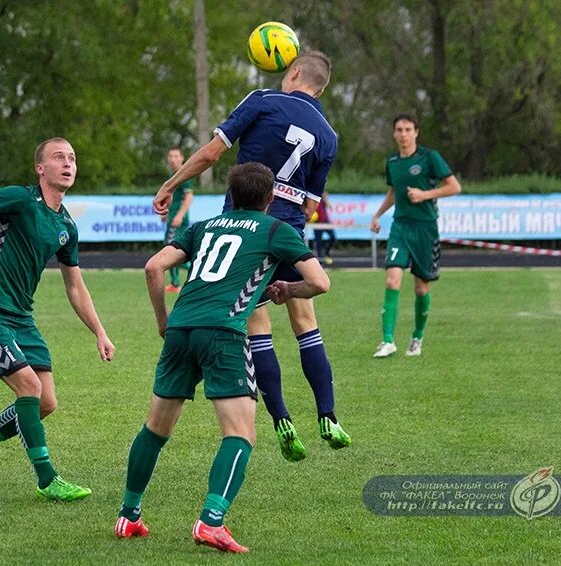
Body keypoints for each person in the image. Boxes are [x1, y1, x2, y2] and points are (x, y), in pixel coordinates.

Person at [116, 163, 330, 553]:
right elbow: (320, 282)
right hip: (224, 332)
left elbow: (153, 267)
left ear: (230, 196)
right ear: (270, 199)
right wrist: (288, 289)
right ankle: (211, 522)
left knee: (155, 429)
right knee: (240, 434)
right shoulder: (274, 229)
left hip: (181, 329)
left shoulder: (202, 226)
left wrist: (164, 321)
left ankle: (129, 515)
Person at [153, 50, 350, 464]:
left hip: (246, 232)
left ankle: (281, 420)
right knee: (305, 324)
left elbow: (211, 154)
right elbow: (312, 207)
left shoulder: (261, 99)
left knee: (257, 326)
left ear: (294, 72)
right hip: (288, 232)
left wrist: (170, 183)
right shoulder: (329, 135)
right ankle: (327, 416)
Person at [0, 137, 115, 501]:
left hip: (23, 318)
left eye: (72, 157)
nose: (68, 163)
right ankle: (47, 480)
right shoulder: (21, 198)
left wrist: (99, 332)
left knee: (45, 403)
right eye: (59, 157)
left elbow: (75, 286)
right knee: (29, 388)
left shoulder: (67, 227)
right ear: (41, 168)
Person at [370, 114, 461, 357]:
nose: (403, 134)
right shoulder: (392, 162)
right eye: (399, 129)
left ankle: (417, 337)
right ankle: (387, 340)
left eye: (408, 129)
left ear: (416, 132)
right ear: (393, 133)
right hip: (400, 226)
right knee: (392, 280)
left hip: (425, 228)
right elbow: (393, 193)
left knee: (421, 289)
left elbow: (454, 187)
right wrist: (377, 215)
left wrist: (425, 195)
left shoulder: (429, 158)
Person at [161, 146, 194, 292]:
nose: (173, 159)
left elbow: (189, 197)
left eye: (176, 156)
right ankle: (175, 283)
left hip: (178, 220)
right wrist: (166, 212)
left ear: (182, 158)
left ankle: (196, 270)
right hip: (172, 217)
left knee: (172, 250)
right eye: (171, 156)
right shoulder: (173, 175)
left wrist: (179, 215)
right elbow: (173, 196)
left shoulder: (184, 174)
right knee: (169, 249)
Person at [312, 191, 336, 266]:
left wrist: (325, 199)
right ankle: (320, 262)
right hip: (317, 222)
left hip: (325, 221)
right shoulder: (312, 198)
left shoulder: (322, 197)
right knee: (318, 242)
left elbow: (329, 205)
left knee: (333, 237)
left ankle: (327, 252)